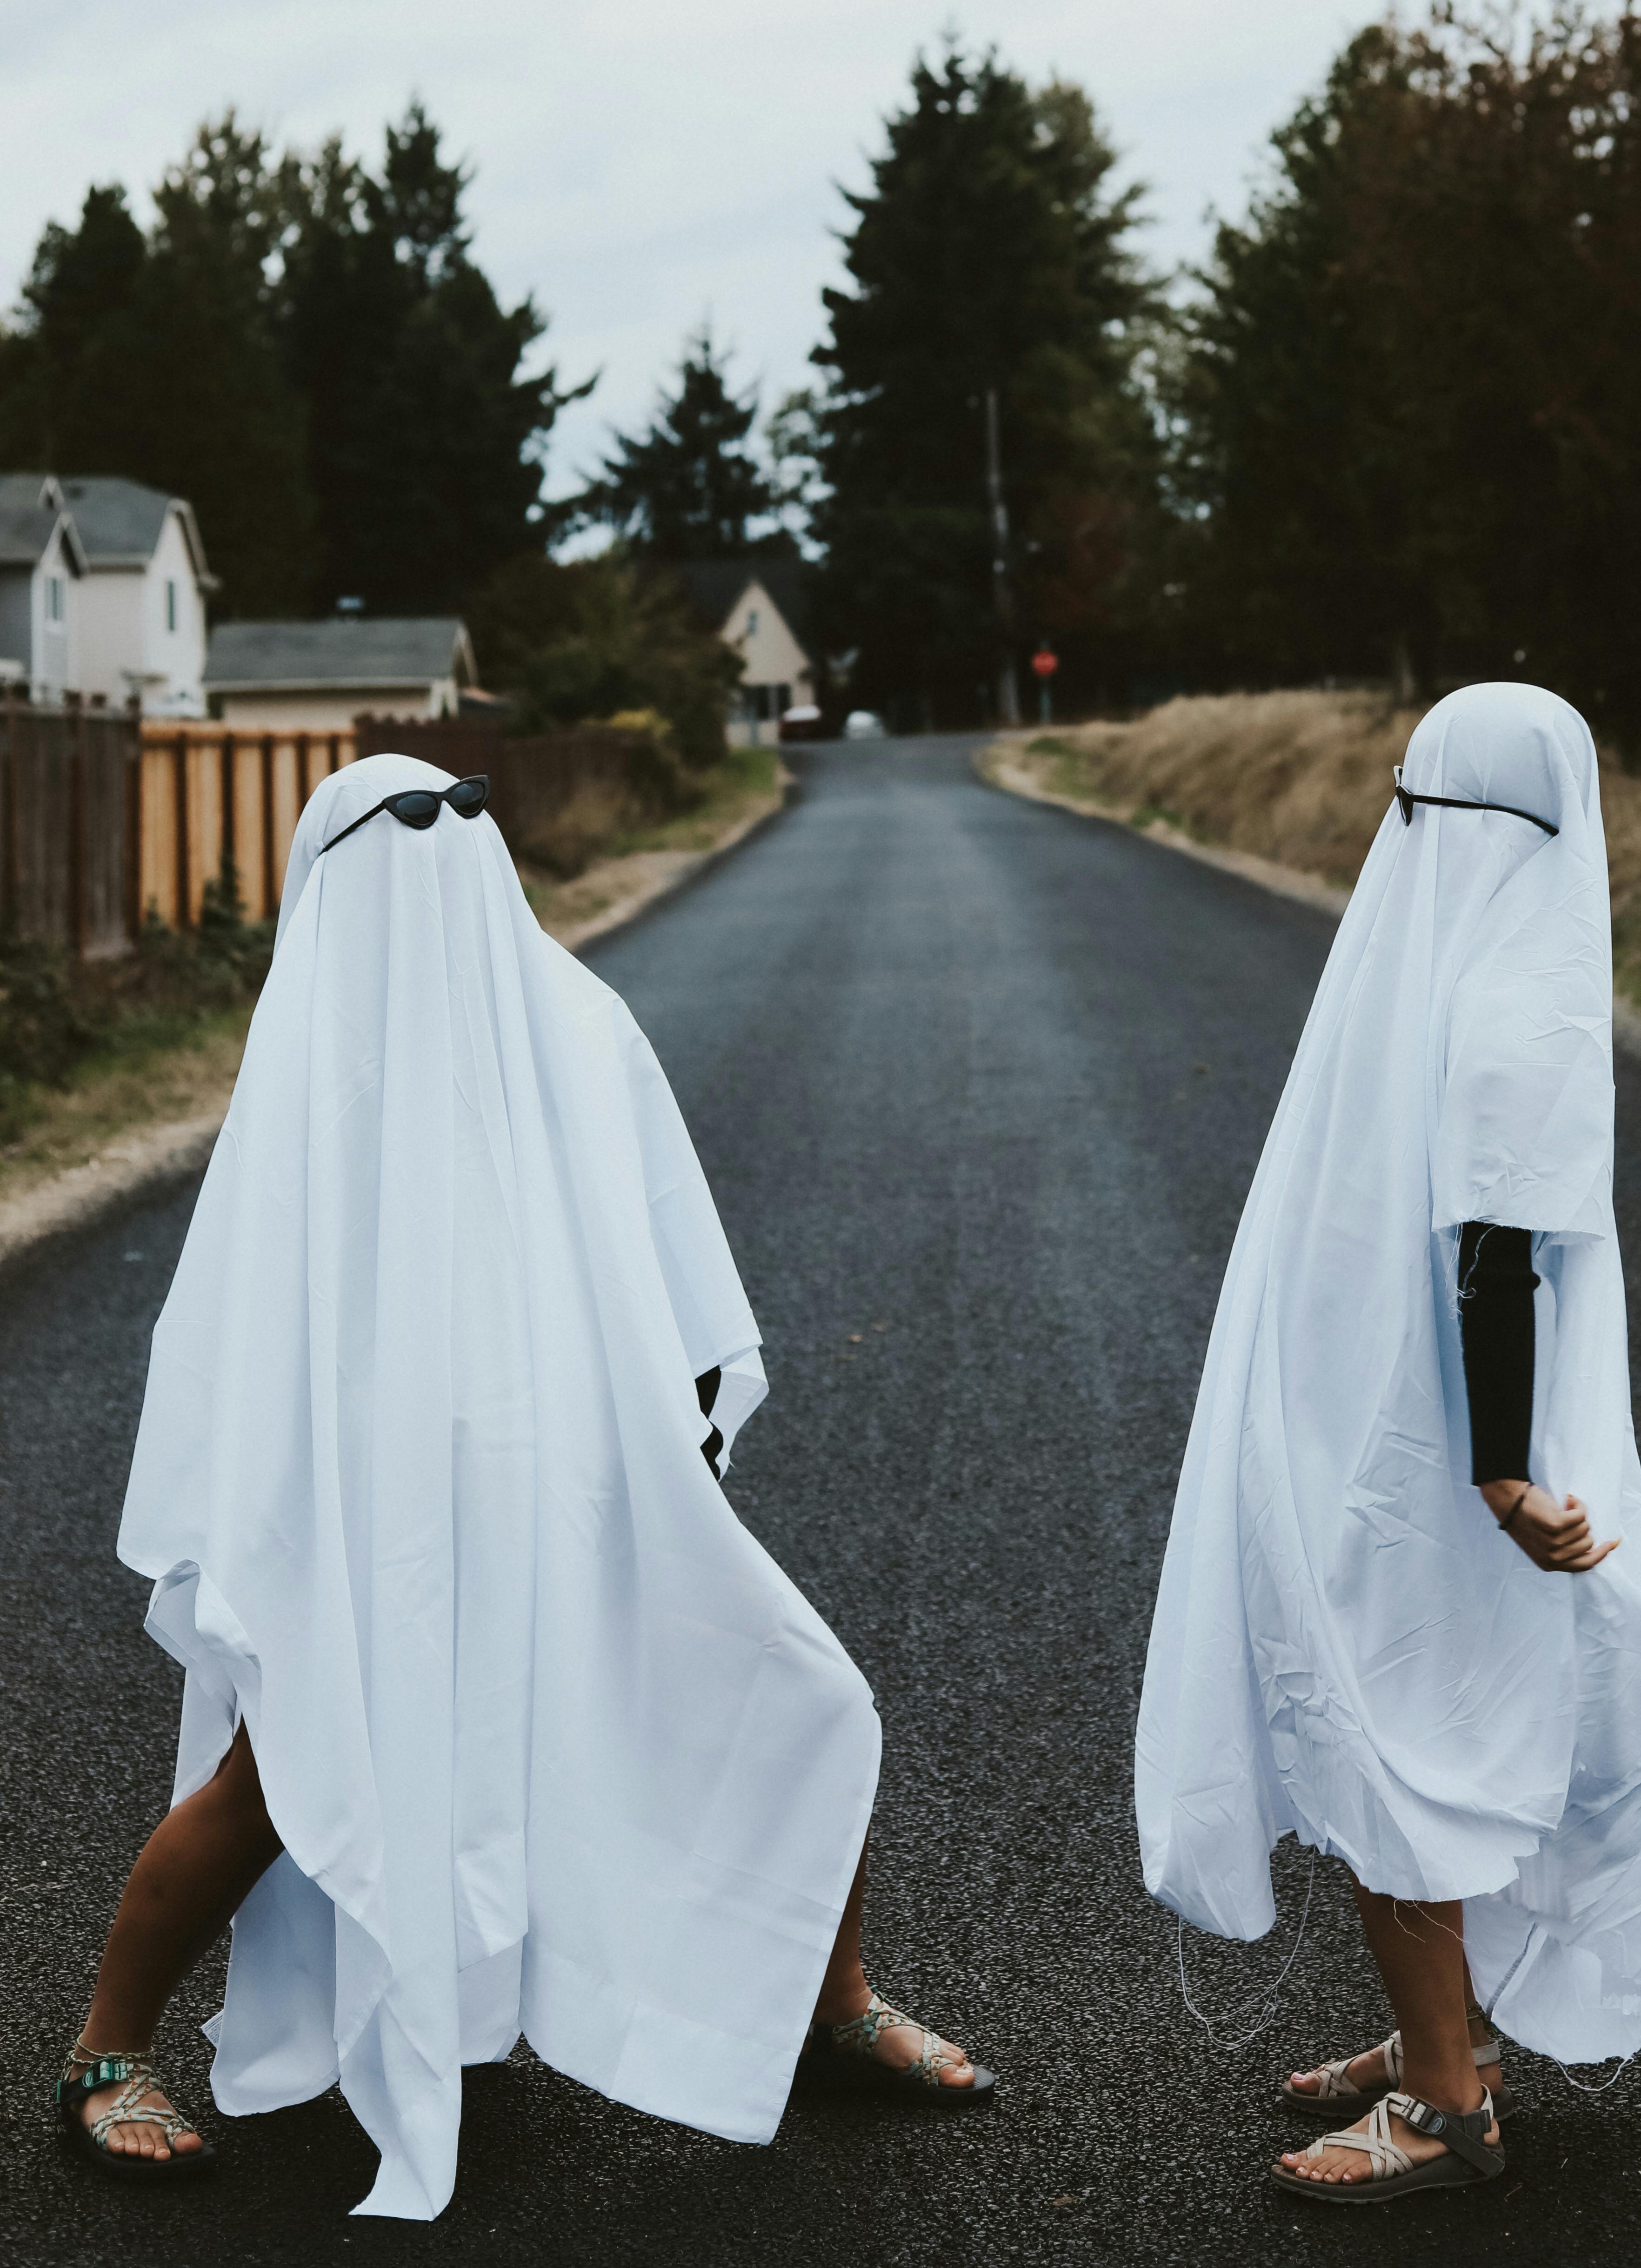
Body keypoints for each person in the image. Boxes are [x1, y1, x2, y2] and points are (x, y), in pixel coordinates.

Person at [56, 756, 990, 2212]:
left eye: (461, 824)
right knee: (285, 1781)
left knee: (799, 1696)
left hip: (576, 1487)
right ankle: (105, 2055)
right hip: (367, 1515)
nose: (440, 858)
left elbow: (664, 1240)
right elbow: (247, 1325)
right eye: (408, 836)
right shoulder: (320, 1052)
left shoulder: (578, 1022)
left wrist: (670, 1460)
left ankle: (831, 2010)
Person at [1136, 683, 1641, 2211]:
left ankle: (1450, 2108)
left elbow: (1500, 1245)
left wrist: (1503, 1476)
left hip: (1434, 1445)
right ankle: (1436, 2039)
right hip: (1396, 1416)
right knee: (1417, 1707)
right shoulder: (1492, 950)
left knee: (1393, 1726)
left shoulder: (1504, 987)